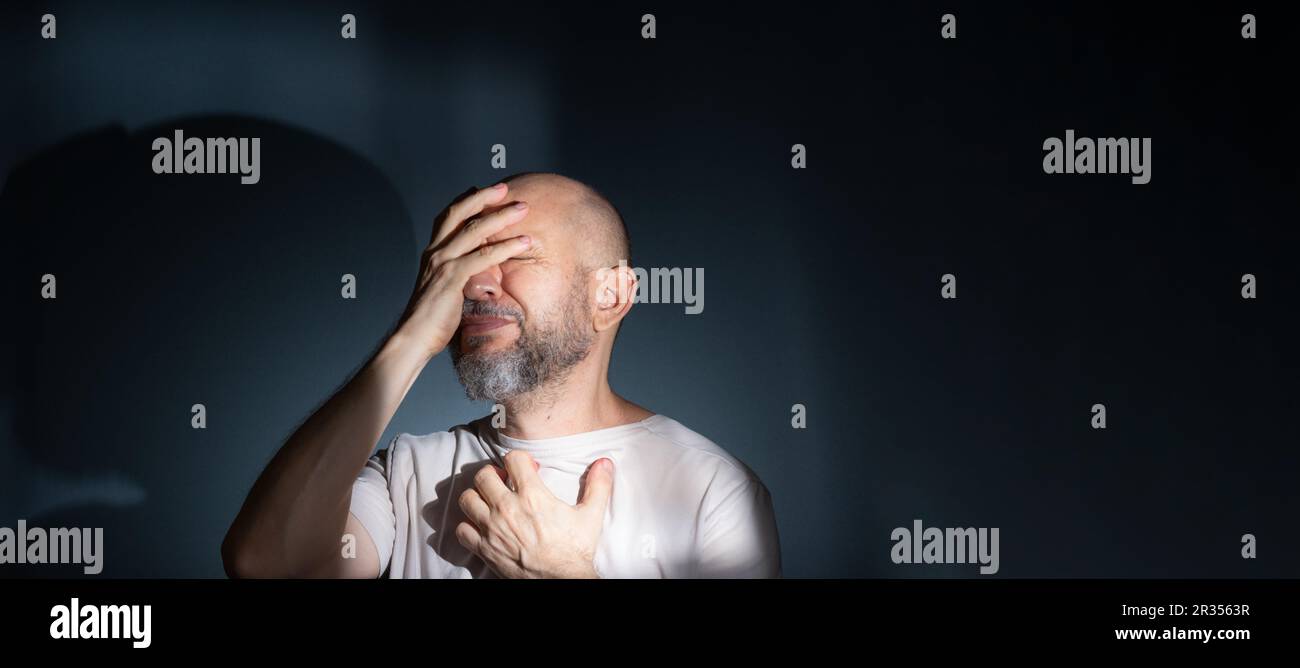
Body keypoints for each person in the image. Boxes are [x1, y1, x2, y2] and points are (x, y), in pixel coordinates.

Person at [222, 172, 781, 578]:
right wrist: (413, 337)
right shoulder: (406, 474)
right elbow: (265, 564)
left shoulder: (712, 490)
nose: (475, 283)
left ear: (610, 295)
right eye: (465, 259)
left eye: (515, 255)